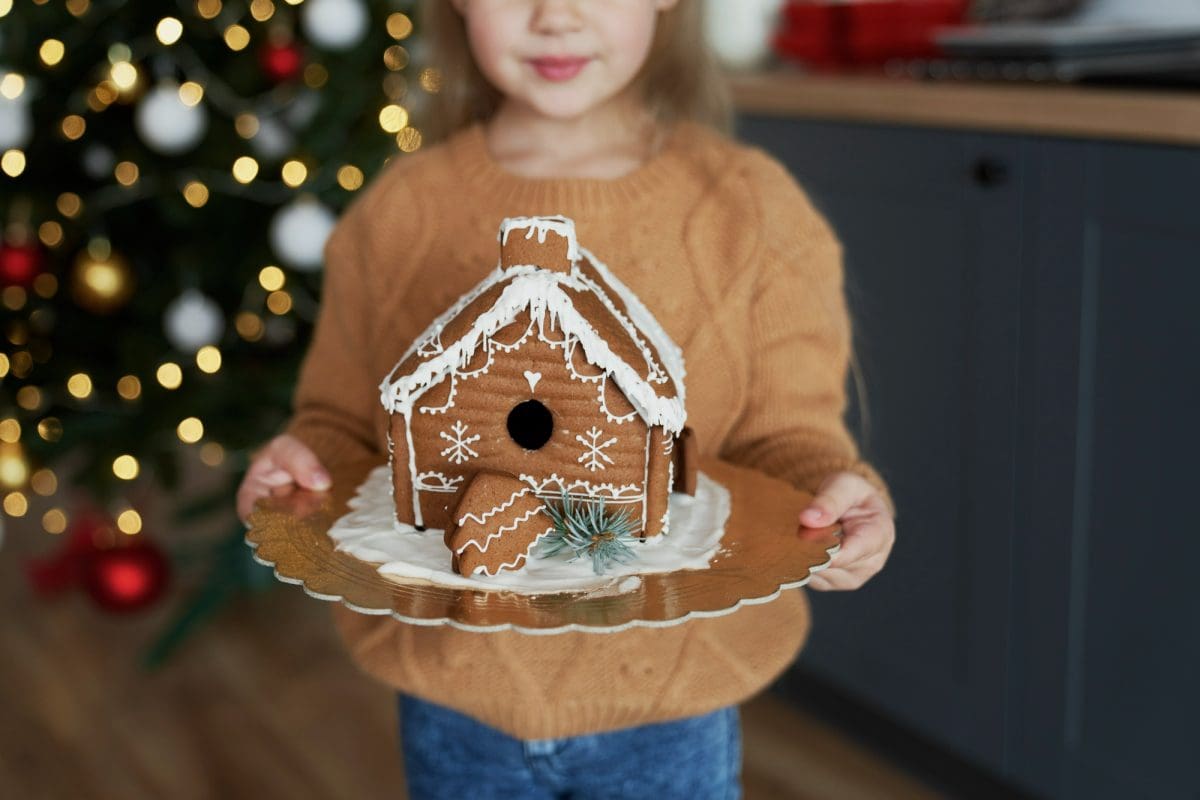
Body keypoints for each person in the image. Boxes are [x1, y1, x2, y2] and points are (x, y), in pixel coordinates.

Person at [236, 1, 897, 797]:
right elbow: (341, 427)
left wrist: (835, 495)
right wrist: (300, 469)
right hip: (457, 706)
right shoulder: (397, 212)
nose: (555, 17)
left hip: (670, 710)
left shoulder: (754, 210)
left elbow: (790, 440)